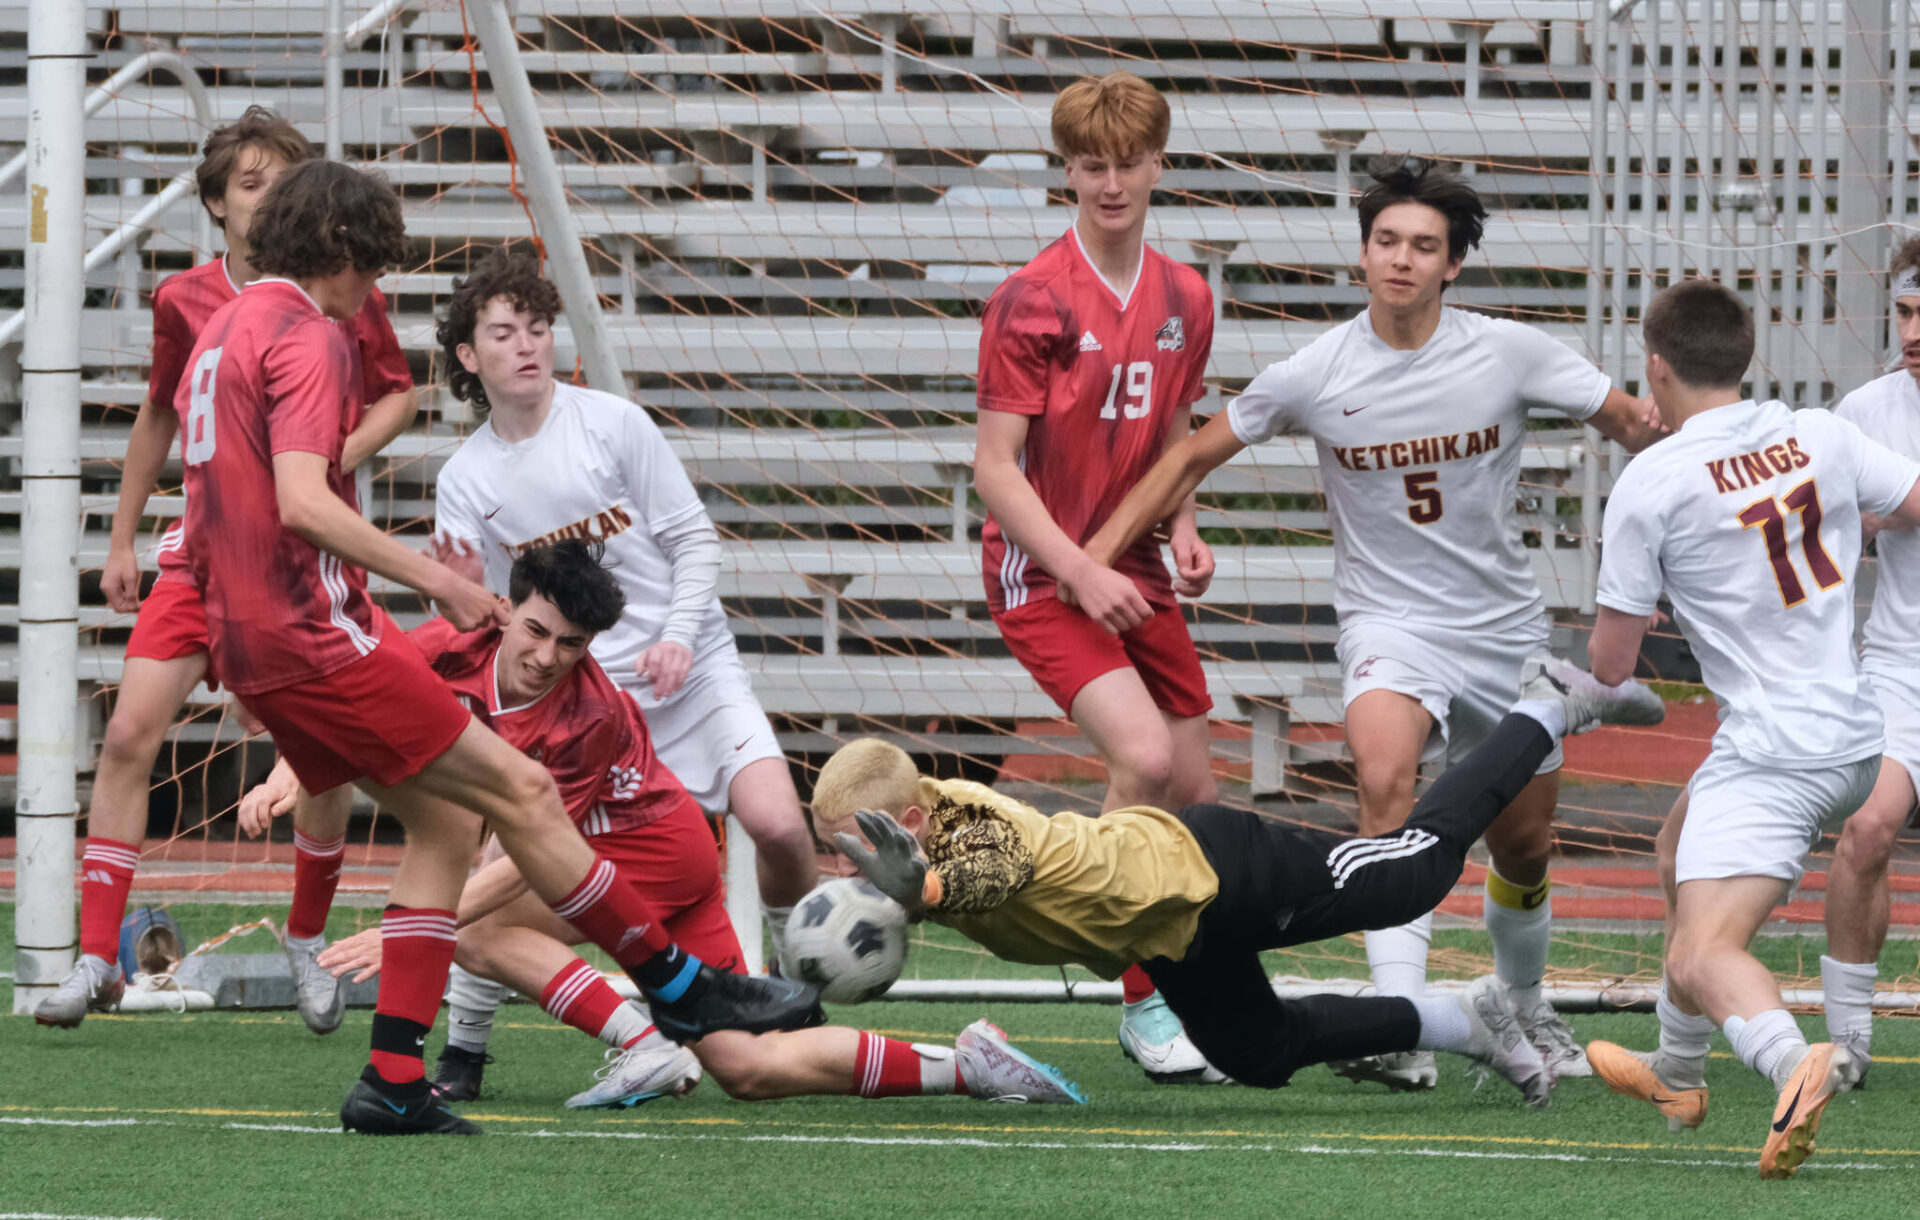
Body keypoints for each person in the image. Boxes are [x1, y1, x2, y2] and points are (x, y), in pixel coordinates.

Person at [167, 159, 820, 1136]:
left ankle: (394, 1076)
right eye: (370, 268)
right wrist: (436, 577)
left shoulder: (220, 330)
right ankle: (674, 985)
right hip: (315, 631)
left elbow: (222, 504)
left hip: (249, 633)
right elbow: (302, 500)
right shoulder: (309, 333)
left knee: (438, 822)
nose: (370, 293)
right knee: (519, 790)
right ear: (340, 251)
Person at [1077, 154, 1669, 1088]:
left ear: (1452, 265)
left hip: (1503, 631)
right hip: (1389, 625)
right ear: (1363, 255)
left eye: (1422, 245)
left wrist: (1690, 427)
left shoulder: (1510, 351)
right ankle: (1403, 1029)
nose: (1401, 258)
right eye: (1386, 240)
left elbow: (1633, 425)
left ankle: (1525, 1006)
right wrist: (1097, 552)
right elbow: (1193, 451)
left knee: (1523, 844)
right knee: (1386, 782)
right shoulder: (1316, 371)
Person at [292, 541, 1085, 1110]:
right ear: (507, 609)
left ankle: (641, 1044)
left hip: (646, 856)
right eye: (535, 632)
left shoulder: (590, 716)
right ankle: (967, 1066)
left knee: (468, 926)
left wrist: (414, 930)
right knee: (748, 1067)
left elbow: (537, 862)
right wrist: (287, 769)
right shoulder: (443, 645)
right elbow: (357, 697)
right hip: (668, 858)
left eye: (571, 645)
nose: (545, 657)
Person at [818, 655, 1667, 1104]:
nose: (844, 865)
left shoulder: (966, 826)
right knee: (1254, 1052)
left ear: (911, 820)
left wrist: (921, 895)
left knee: (1413, 873)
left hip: (1216, 870)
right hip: (1170, 929)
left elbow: (1001, 865)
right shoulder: (920, 844)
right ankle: (1465, 1021)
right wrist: (912, 893)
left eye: (847, 843)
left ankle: (1547, 704)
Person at [34, 107, 416, 1034]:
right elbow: (159, 417)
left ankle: (305, 939)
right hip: (204, 557)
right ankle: (94, 957)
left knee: (325, 760)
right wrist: (124, 538)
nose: (271, 197)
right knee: (129, 734)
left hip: (305, 561)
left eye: (283, 180)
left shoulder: (344, 296)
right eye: (251, 183)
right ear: (214, 205)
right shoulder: (185, 301)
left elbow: (401, 393)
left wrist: (329, 454)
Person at [425, 247, 823, 1088]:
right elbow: (502, 620)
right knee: (502, 860)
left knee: (782, 827)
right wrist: (463, 604)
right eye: (504, 332)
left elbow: (693, 539)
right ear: (469, 357)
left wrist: (678, 634)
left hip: (694, 670)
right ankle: (464, 1048)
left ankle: (801, 971)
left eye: (537, 326)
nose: (527, 343)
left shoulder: (611, 423)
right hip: (590, 707)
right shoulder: (465, 481)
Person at [1579, 279, 1920, 1179]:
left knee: (1703, 949)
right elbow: (1912, 503)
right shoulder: (1821, 433)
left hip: (1777, 752)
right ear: (1746, 356)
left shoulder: (1651, 480)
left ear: (1656, 367)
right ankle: (1678, 1075)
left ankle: (1790, 1060)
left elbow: (1611, 666)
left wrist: (1656, 600)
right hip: (1857, 732)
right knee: (1671, 849)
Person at [972, 70, 1221, 1083]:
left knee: (1196, 792)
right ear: (1066, 172)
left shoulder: (1185, 294)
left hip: (1137, 563)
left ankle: (1157, 961)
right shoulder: (1031, 297)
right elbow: (993, 467)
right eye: (1091, 167)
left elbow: (1171, 432)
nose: (1111, 184)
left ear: (1158, 165)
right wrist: (1075, 562)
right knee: (1146, 760)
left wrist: (1188, 522)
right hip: (1044, 570)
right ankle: (1138, 994)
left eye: (1128, 164)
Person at [1810, 238, 1920, 1087]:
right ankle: (1846, 1041)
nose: (1913, 331)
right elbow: (1827, 535)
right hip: (1901, 662)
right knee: (1867, 829)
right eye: (1907, 311)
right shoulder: (1863, 411)